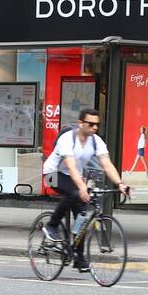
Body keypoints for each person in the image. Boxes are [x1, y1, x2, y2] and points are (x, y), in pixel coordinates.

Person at [42, 108, 131, 271]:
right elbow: (71, 166)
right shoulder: (67, 139)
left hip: (71, 177)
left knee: (82, 213)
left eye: (97, 124)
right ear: (80, 124)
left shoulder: (96, 141)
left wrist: (120, 184)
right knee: (75, 193)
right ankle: (51, 226)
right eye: (91, 124)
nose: (95, 127)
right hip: (51, 174)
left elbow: (107, 164)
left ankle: (79, 257)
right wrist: (82, 187)